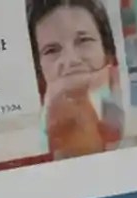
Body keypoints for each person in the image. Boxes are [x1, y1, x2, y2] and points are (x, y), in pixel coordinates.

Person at [26, 0, 125, 159]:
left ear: (106, 50)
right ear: (38, 66)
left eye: (83, 40)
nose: (70, 59)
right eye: (51, 50)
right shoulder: (23, 142)